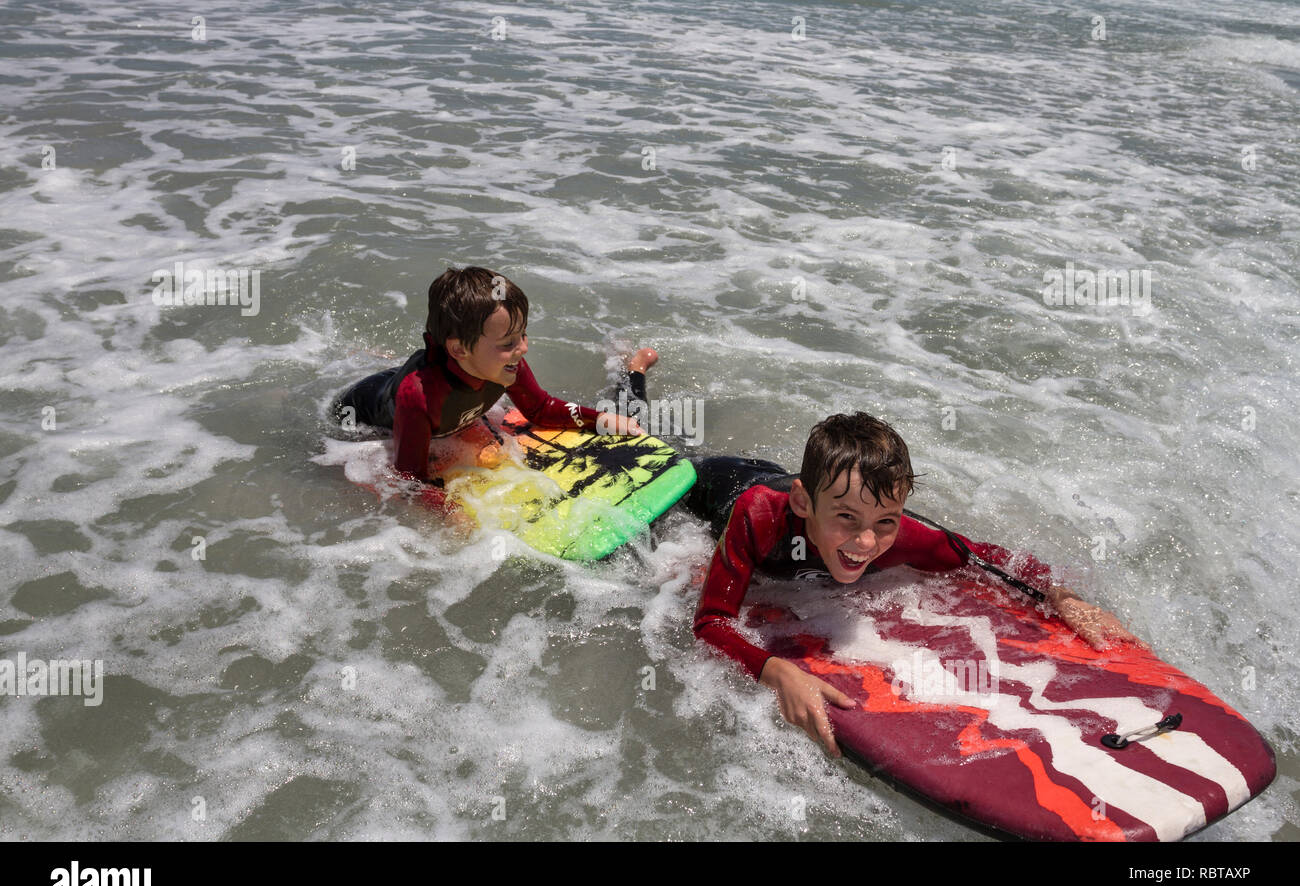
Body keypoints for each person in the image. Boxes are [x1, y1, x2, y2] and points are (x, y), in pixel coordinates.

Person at [682, 412, 1149, 757]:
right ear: (804, 503)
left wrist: (1062, 596)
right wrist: (777, 670)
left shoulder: (903, 538)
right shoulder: (759, 517)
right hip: (711, 484)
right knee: (650, 448)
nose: (866, 542)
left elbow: (984, 558)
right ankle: (629, 385)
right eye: (846, 518)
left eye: (884, 521)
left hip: (794, 478)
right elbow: (710, 622)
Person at [334, 266, 651, 511]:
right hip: (356, 413)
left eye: (523, 335)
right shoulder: (419, 398)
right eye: (509, 342)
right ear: (460, 349)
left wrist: (600, 420)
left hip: (423, 378)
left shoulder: (504, 365)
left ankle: (376, 357)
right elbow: (409, 477)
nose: (523, 348)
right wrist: (449, 511)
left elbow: (541, 408)